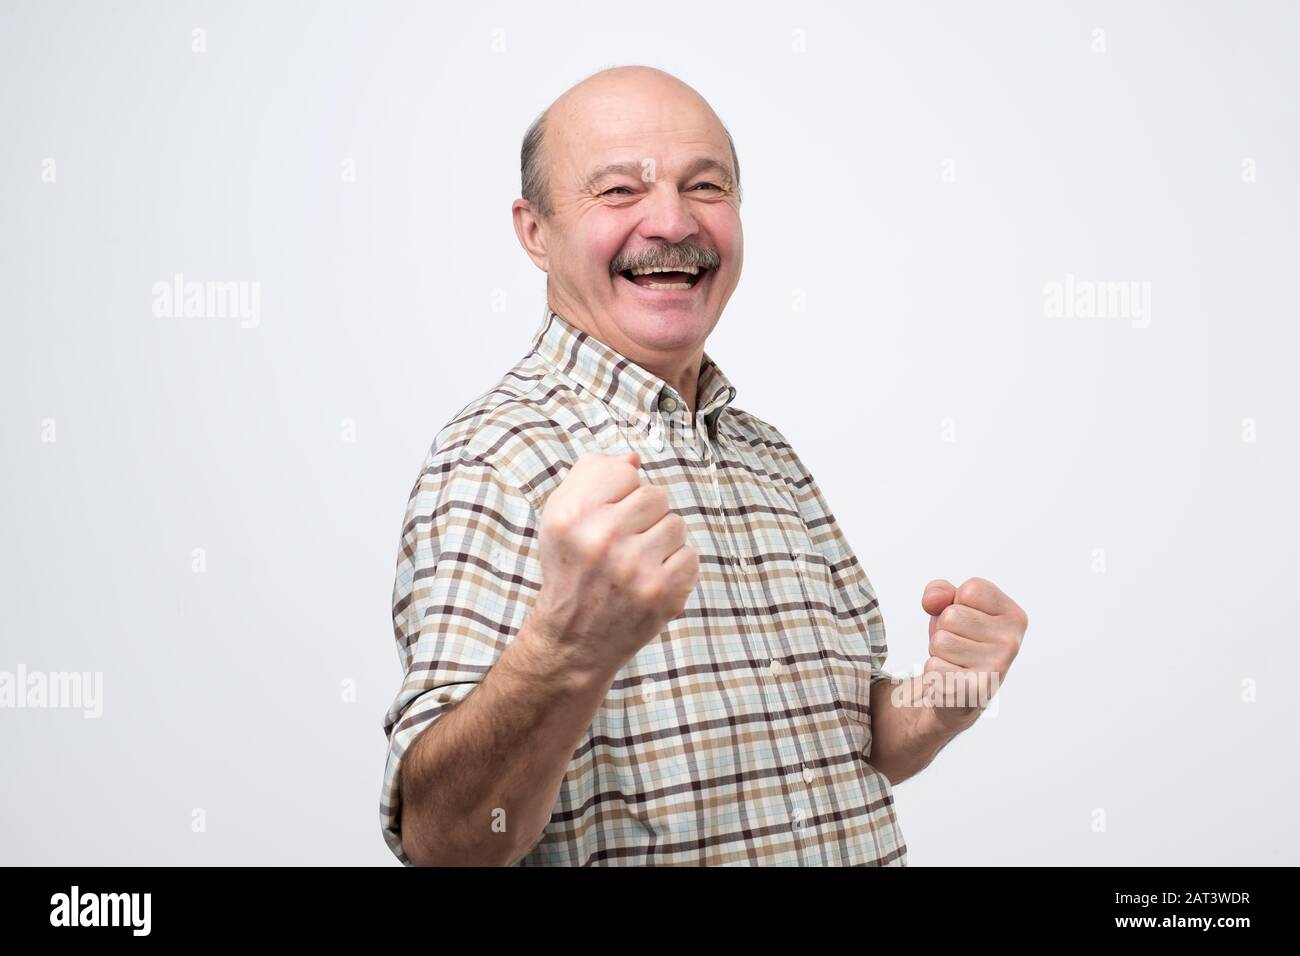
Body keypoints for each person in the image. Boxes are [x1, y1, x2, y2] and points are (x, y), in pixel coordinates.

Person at [381, 65, 1029, 866]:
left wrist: (943, 698)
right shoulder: (495, 460)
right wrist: (568, 646)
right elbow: (442, 840)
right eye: (619, 190)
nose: (671, 220)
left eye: (706, 186)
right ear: (535, 231)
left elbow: (848, 740)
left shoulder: (768, 457)